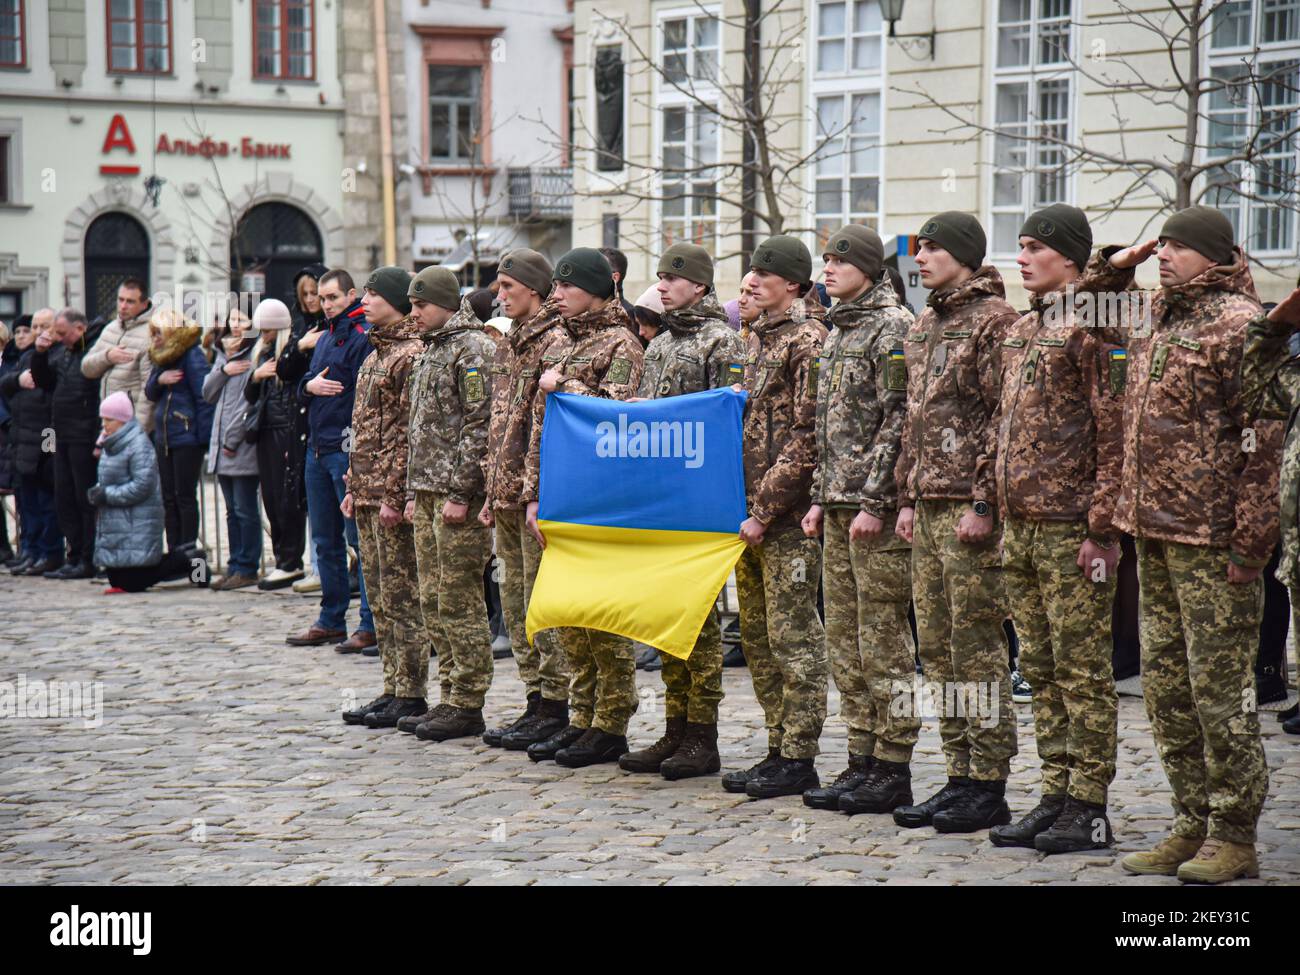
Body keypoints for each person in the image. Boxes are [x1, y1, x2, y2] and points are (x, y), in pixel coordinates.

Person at [1114, 207, 1281, 884]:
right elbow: (1089, 314)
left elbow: (1263, 443)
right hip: (1154, 529)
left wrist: (1250, 543)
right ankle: (1190, 820)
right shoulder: (1161, 317)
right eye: (1163, 244)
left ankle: (1234, 830)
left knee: (1221, 691)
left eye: (1178, 246)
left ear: (1213, 255)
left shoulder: (1242, 326)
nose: (1164, 254)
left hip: (1212, 538)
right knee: (1167, 688)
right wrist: (1113, 266)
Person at [987, 205, 1128, 854]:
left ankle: (1089, 805)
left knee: (1081, 670)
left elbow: (1114, 433)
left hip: (1072, 529)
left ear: (1070, 259)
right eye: (1019, 245)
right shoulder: (1022, 328)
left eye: (1035, 246)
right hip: (1021, 526)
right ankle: (1056, 790)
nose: (1021, 256)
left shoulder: (1091, 328)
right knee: (1038, 667)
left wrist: (1101, 528)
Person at [891, 212, 1021, 833]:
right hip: (928, 503)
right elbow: (913, 421)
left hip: (968, 510)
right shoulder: (925, 324)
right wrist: (907, 498)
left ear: (966, 255)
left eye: (934, 248)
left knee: (976, 649)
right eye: (919, 249)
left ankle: (990, 780)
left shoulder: (996, 322)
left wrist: (982, 502)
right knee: (937, 652)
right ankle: (959, 772)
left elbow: (1003, 420)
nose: (921, 258)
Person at [799, 225, 920, 815]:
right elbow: (828, 430)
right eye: (824, 260)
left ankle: (894, 763)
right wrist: (823, 497)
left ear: (869, 269)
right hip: (840, 505)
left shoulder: (892, 327)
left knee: (883, 640)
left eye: (839, 261)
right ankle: (861, 755)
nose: (828, 269)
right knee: (844, 640)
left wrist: (876, 501)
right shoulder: (837, 329)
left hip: (873, 510)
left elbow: (897, 422)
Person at [619, 242, 744, 780]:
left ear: (699, 285)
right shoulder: (662, 342)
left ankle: (702, 733)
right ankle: (674, 724)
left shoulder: (723, 340)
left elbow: (730, 415)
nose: (663, 286)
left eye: (674, 278)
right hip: (661, 501)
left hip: (701, 504)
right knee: (666, 617)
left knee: (700, 620)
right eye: (660, 278)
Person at [522, 248, 646, 767]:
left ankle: (611, 722)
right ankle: (583, 714)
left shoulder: (622, 344)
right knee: (571, 613)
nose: (556, 296)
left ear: (597, 289)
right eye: (554, 287)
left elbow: (614, 418)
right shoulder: (569, 343)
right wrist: (533, 493)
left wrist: (562, 385)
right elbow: (540, 429)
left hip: (601, 500)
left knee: (604, 614)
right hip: (561, 496)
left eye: (566, 288)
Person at [721, 235, 829, 799]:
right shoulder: (757, 340)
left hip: (784, 520)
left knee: (793, 638)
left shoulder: (807, 341)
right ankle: (776, 744)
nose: (755, 279)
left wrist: (763, 509)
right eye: (752, 270)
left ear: (794, 285)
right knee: (758, 639)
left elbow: (807, 436)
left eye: (769, 272)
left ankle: (800, 754)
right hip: (748, 518)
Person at [478, 249, 573, 750]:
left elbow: (546, 425)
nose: (500, 295)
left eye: (508, 288)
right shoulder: (511, 343)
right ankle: (535, 698)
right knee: (515, 601)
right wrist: (493, 488)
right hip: (508, 493)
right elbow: (499, 423)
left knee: (541, 601)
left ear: (534, 290)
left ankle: (556, 703)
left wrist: (532, 490)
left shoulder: (555, 342)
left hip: (537, 494)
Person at [397, 267, 496, 741]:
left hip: (458, 497)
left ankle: (468, 699)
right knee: (432, 598)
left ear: (444, 303)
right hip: (429, 491)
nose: (413, 313)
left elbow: (478, 426)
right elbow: (421, 428)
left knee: (458, 597)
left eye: (420, 305)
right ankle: (448, 691)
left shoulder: (472, 348)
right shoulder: (430, 349)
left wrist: (461, 493)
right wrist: (416, 492)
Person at [338, 267, 428, 729]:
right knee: (379, 593)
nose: (365, 301)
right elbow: (365, 431)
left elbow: (406, 436)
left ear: (396, 300)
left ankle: (412, 691)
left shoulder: (409, 355)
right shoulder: (376, 353)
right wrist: (354, 484)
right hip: (368, 490)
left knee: (401, 593)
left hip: (390, 495)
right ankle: (393, 685)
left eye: (373, 294)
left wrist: (396, 493)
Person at [287, 269, 377, 650]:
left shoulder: (362, 338)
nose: (326, 305)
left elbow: (366, 397)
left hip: (345, 449)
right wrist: (308, 386)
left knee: (359, 539)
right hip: (317, 448)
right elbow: (302, 384)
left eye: (333, 298)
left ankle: (370, 623)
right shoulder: (323, 337)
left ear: (351, 295)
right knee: (324, 540)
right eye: (322, 299)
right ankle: (331, 618)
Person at [1243, 278, 1300, 736]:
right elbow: (1257, 371)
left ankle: (1269, 675)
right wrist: (1276, 324)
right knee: (1284, 584)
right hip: (1287, 507)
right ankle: (1271, 676)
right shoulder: (1291, 363)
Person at [87, 392, 207, 593]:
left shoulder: (139, 445)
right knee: (116, 578)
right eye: (103, 420)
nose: (104, 425)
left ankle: (193, 560)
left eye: (109, 420)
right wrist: (97, 492)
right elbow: (109, 478)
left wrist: (107, 495)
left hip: (138, 518)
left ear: (123, 420)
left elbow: (142, 486)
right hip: (118, 519)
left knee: (134, 581)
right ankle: (184, 558)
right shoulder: (110, 444)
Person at [30, 307, 105, 579]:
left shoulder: (93, 347)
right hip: (59, 434)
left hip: (84, 434)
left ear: (80, 329)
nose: (59, 338)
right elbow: (43, 381)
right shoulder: (62, 353)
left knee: (83, 499)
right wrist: (39, 355)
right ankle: (73, 555)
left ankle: (88, 557)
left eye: (63, 333)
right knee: (63, 497)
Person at [244, 298, 307, 590]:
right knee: (270, 496)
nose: (264, 336)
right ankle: (282, 558)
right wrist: (255, 376)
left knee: (286, 498)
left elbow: (293, 382)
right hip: (266, 429)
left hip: (286, 428)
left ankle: (291, 560)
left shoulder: (291, 349)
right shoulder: (262, 353)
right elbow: (250, 396)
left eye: (268, 330)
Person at [143, 308, 213, 553]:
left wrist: (203, 440)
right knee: (168, 497)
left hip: (186, 436)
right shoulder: (161, 357)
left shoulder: (192, 355)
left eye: (158, 333)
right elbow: (150, 392)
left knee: (184, 496)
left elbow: (203, 398)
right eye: (153, 334)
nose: (155, 338)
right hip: (164, 436)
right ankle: (174, 550)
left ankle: (188, 549)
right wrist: (159, 380)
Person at [202, 308, 262, 590]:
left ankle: (248, 566)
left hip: (240, 446)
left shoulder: (255, 355)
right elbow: (208, 393)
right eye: (233, 320)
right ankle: (235, 564)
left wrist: (232, 439)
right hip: (221, 447)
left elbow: (248, 404)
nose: (236, 326)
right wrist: (223, 369)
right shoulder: (223, 355)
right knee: (231, 511)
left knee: (245, 509)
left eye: (242, 320)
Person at [1, 315, 64, 575]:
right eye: (33, 327)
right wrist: (17, 381)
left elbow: (49, 394)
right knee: (28, 501)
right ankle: (31, 550)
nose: (37, 332)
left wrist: (48, 448)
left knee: (46, 498)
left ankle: (50, 552)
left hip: (46, 436)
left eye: (42, 327)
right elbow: (7, 384)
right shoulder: (26, 357)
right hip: (23, 438)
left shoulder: (57, 356)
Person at [81, 278, 156, 432]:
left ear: (144, 304)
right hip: (107, 421)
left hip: (130, 422)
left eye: (130, 301)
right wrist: (107, 357)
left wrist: (139, 430)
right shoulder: (111, 328)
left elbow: (148, 390)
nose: (123, 306)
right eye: (120, 299)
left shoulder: (151, 333)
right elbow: (86, 368)